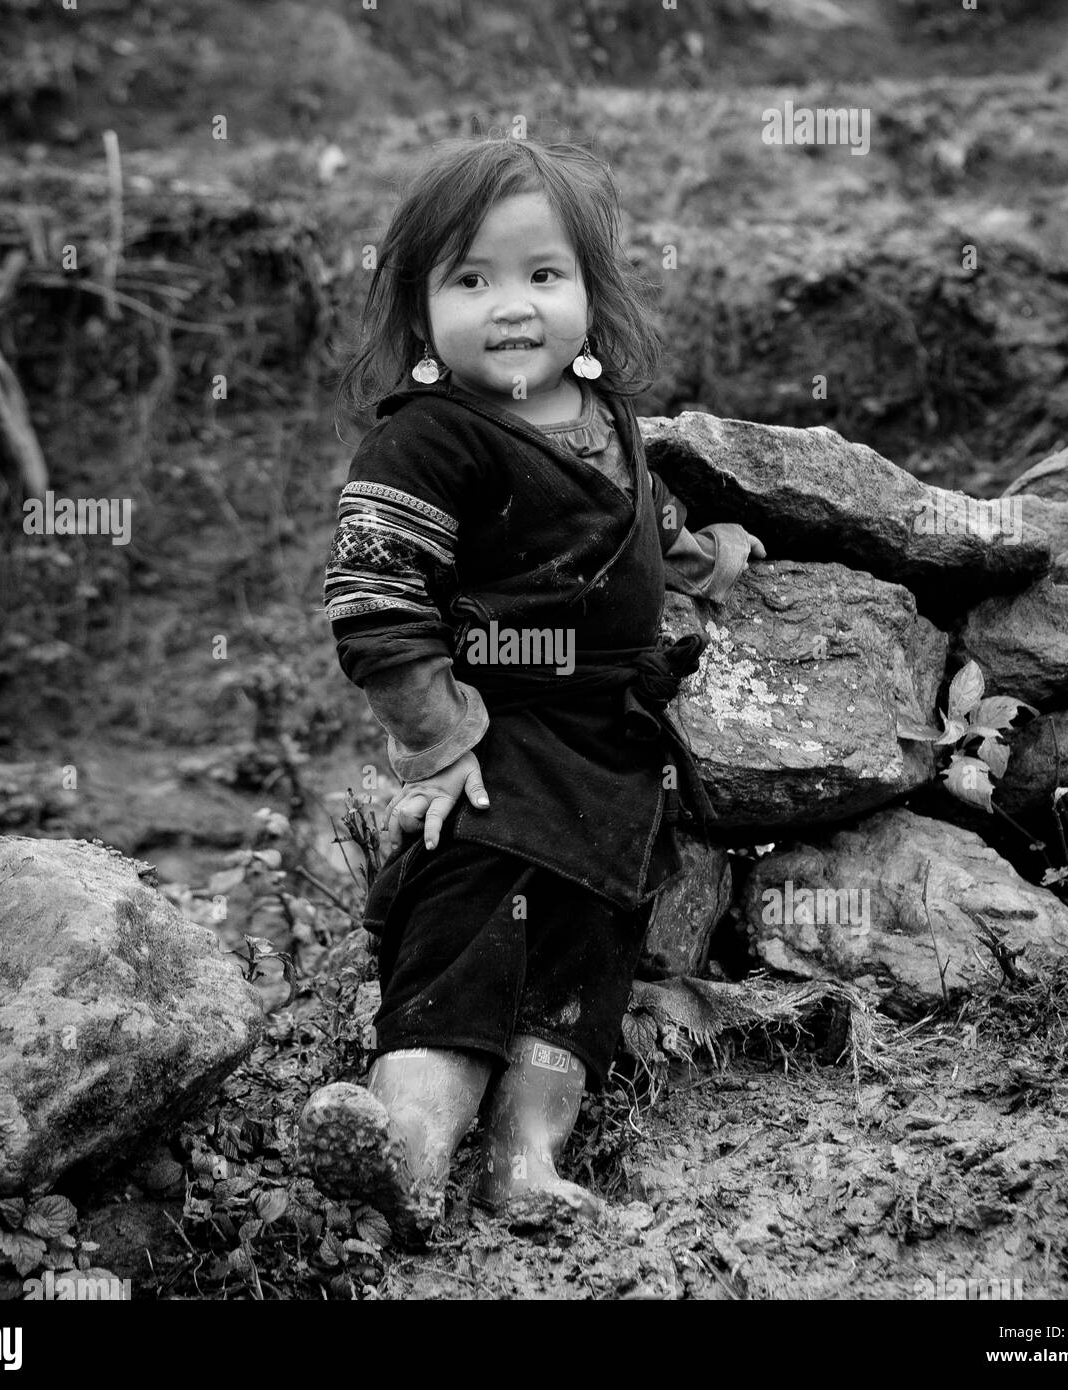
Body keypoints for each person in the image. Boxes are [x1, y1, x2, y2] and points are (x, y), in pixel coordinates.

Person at [299, 136, 765, 1244]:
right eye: (471, 279)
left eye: (542, 275)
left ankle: (527, 1160)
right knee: (463, 943)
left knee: (581, 968)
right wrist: (437, 739)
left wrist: (707, 561)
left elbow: (637, 531)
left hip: (613, 750)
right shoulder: (426, 444)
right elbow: (374, 598)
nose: (512, 306)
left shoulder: (607, 426)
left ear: (592, 298)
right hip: (496, 745)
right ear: (419, 317)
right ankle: (406, 1149)